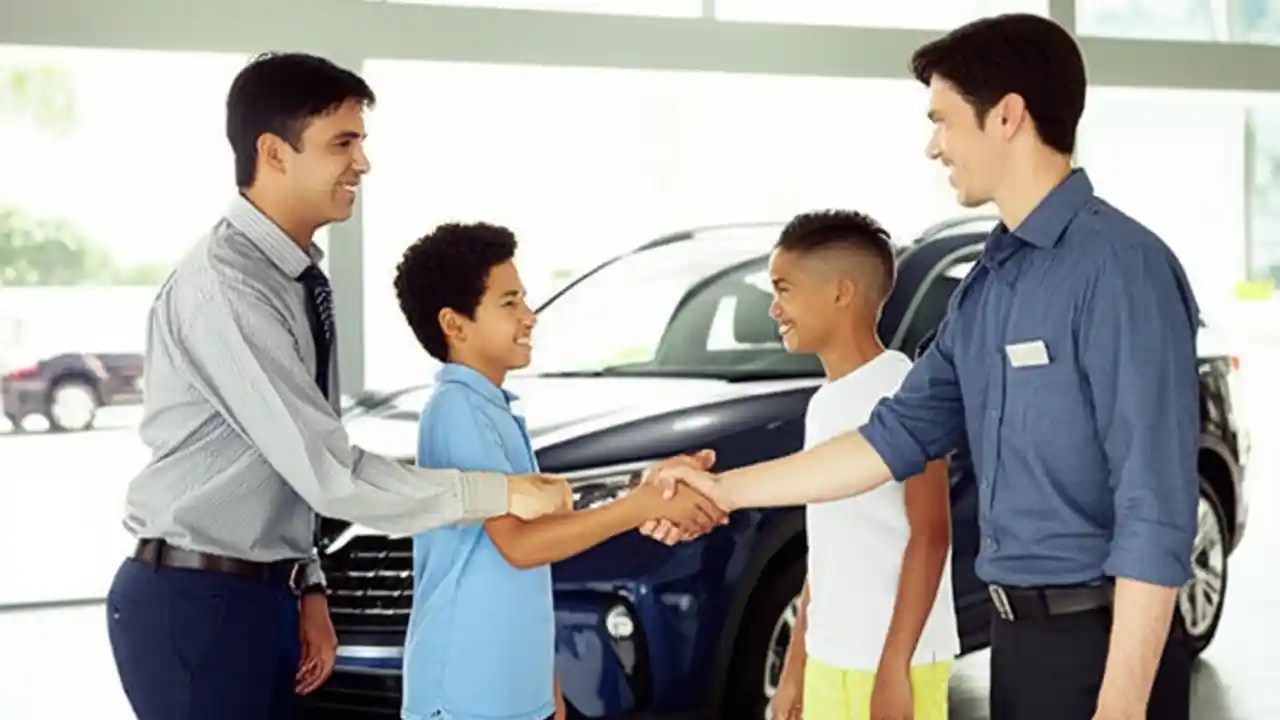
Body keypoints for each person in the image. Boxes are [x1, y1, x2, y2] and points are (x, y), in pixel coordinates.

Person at [656, 14, 1199, 720]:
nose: (933, 145)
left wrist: (1120, 707)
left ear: (1007, 116)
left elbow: (1154, 508)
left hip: (1105, 650)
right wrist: (720, 489)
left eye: (943, 121)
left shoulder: (1121, 268)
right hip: (1019, 643)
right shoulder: (987, 286)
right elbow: (887, 442)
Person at [106, 53, 572, 720]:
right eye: (342, 143)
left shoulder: (296, 280)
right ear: (274, 153)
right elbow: (328, 470)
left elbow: (294, 459)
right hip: (197, 599)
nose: (362, 163)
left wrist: (309, 584)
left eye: (362, 141)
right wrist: (501, 493)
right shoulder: (229, 289)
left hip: (260, 593)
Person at [392, 222, 724, 720]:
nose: (530, 317)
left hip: (513, 694)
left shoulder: (493, 408)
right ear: (455, 324)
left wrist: (546, 688)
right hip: (466, 696)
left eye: (524, 300)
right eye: (509, 303)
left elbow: (532, 543)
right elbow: (520, 546)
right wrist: (642, 506)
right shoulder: (457, 410)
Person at [762, 211, 958, 720]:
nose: (773, 308)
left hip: (898, 665)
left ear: (841, 292)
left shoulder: (903, 391)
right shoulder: (823, 403)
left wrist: (894, 669)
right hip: (831, 660)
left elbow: (931, 533)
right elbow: (823, 555)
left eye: (784, 289)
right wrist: (794, 673)